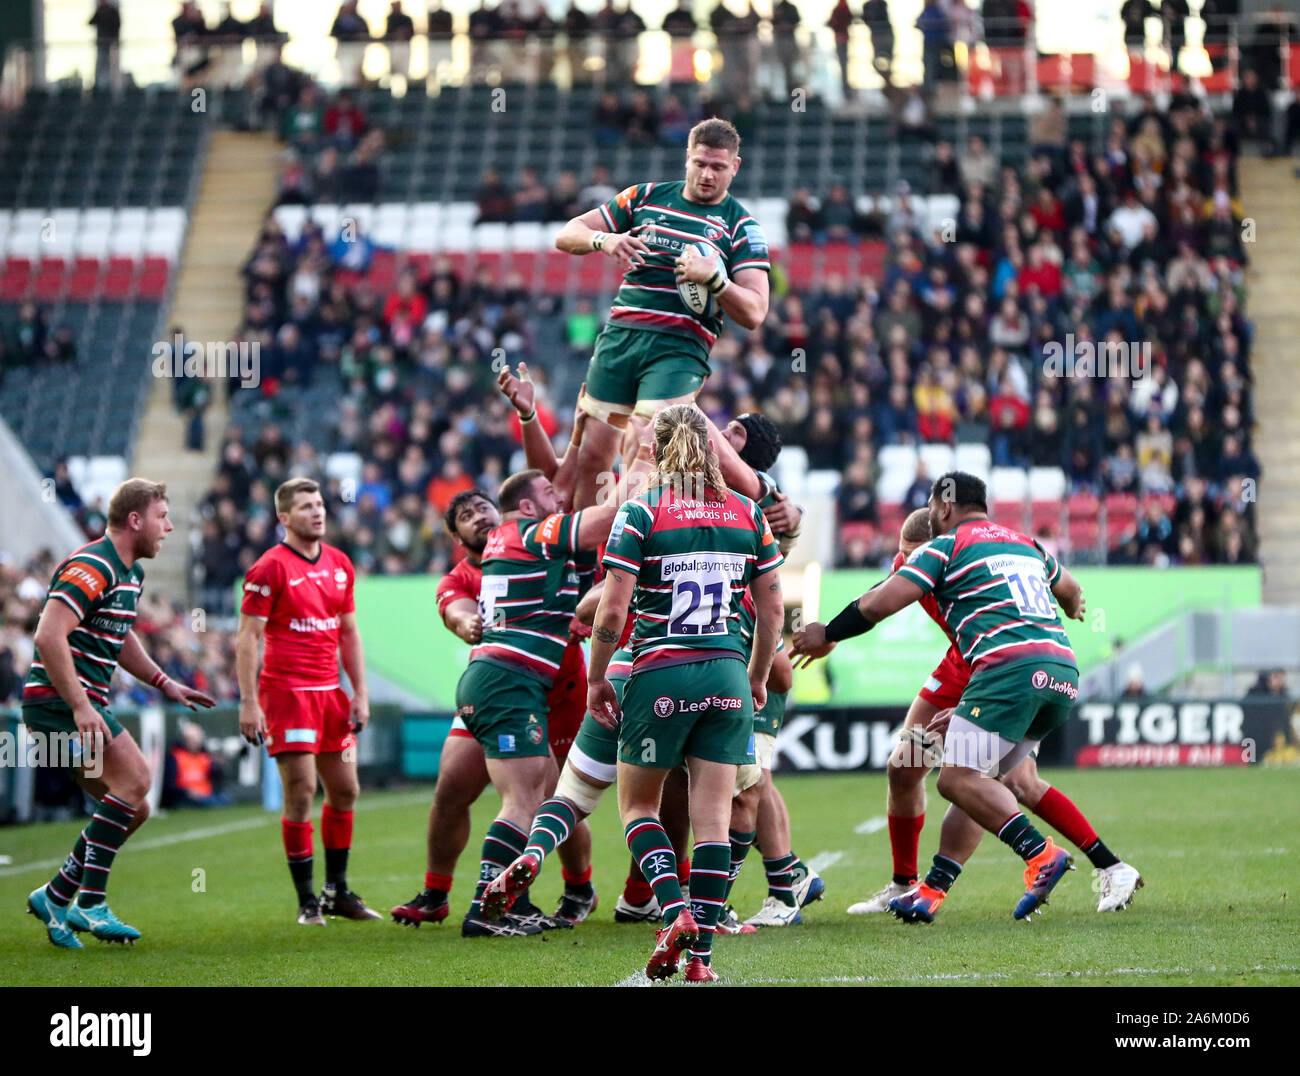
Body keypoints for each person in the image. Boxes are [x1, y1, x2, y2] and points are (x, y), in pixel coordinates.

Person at [794, 472, 1092, 922]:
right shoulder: (1023, 542)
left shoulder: (943, 547)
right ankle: (925, 889)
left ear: (944, 508)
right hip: (1057, 673)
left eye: (934, 508)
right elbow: (1070, 589)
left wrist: (826, 632)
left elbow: (876, 605)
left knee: (957, 780)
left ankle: (1042, 854)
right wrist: (1070, 608)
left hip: (999, 673)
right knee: (932, 771)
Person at [842, 510, 1143, 917]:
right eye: (905, 558)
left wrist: (1072, 601)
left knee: (1008, 780)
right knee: (906, 764)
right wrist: (832, 631)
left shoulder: (959, 554)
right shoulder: (915, 561)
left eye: (914, 557)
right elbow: (883, 593)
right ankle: (905, 883)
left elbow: (1063, 588)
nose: (908, 565)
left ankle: (1105, 864)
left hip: (1001, 668)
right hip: (962, 665)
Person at [587, 404, 784, 983]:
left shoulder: (641, 511)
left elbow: (612, 610)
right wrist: (756, 675)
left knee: (639, 806)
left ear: (663, 449)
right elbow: (773, 610)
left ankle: (674, 912)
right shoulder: (748, 512)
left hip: (660, 674)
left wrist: (600, 676)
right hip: (727, 674)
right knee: (715, 823)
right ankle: (701, 962)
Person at [453, 457, 652, 938]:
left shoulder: (514, 540)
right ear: (527, 506)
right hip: (508, 680)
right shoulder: (529, 532)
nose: (559, 498)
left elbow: (575, 476)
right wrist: (647, 466)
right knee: (521, 801)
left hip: (502, 677)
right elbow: (606, 515)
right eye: (548, 493)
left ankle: (516, 900)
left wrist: (585, 430)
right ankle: (487, 907)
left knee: (541, 794)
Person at [389, 485, 601, 930]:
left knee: (557, 797)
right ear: (456, 536)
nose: (478, 516)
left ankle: (576, 888)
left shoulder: (537, 537)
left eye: (483, 507)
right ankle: (448, 894)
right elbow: (457, 611)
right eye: (465, 515)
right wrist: (468, 622)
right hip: (508, 685)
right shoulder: (465, 574)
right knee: (456, 790)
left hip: (555, 692)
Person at [24, 479, 216, 948]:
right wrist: (81, 705)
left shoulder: (131, 573)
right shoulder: (93, 564)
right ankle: (90, 903)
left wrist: (163, 682)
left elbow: (122, 634)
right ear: (135, 520)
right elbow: (49, 636)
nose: (168, 527)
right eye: (162, 516)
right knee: (133, 782)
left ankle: (56, 895)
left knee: (134, 805)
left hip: (76, 705)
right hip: (56, 705)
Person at [553, 118, 771, 513]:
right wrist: (605, 238)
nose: (707, 174)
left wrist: (717, 281)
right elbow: (567, 234)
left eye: (719, 167)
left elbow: (755, 311)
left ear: (735, 167)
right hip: (620, 336)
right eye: (700, 163)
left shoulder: (742, 227)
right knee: (593, 456)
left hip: (679, 347)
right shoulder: (645, 196)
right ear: (686, 158)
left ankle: (623, 556)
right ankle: (586, 564)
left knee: (646, 442)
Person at [236, 477, 380, 927]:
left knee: (346, 790)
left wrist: (359, 692)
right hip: (286, 695)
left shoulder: (340, 563)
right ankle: (306, 902)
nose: (317, 512)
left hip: (330, 696)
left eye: (319, 504)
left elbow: (350, 632)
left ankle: (336, 891)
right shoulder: (269, 568)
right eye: (305, 507)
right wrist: (248, 702)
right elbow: (247, 639)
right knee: (301, 792)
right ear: (284, 518)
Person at [163, 721, 231, 808]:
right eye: (192, 740)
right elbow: (169, 785)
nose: (196, 743)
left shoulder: (204, 756)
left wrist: (218, 765)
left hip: (205, 794)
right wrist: (186, 792)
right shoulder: (176, 756)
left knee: (224, 798)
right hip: (186, 797)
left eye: (197, 739)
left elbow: (217, 777)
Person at [89, 1, 121, 92]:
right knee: (100, 64)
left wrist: (115, 39)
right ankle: (99, 85)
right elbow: (91, 22)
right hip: (101, 43)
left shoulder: (112, 11)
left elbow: (117, 25)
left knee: (108, 64)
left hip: (109, 43)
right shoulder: (100, 11)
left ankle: (109, 85)